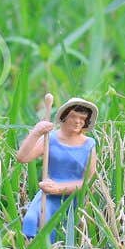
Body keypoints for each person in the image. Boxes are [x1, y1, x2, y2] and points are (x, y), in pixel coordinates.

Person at [15, 97, 99, 241]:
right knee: (31, 219)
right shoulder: (50, 139)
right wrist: (36, 133)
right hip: (48, 195)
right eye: (73, 116)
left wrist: (60, 188)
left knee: (56, 226)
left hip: (72, 197)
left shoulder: (89, 144)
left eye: (83, 118)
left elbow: (89, 182)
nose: (78, 121)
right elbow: (23, 158)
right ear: (64, 116)